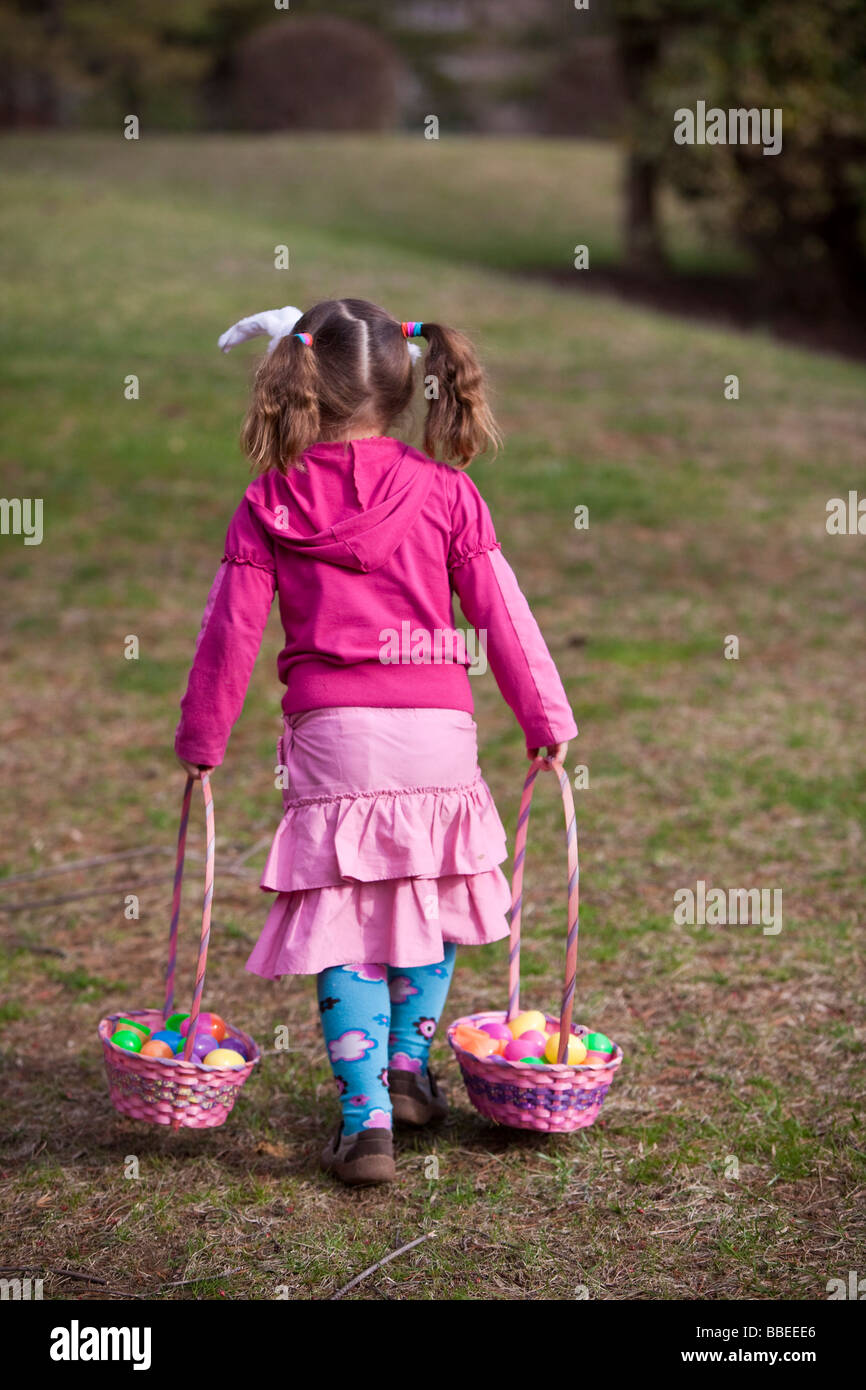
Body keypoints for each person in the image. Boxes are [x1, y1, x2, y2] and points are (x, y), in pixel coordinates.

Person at [174, 298, 577, 1185]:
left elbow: (230, 633)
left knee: (345, 922)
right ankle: (406, 1069)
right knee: (430, 901)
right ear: (408, 385)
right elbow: (502, 617)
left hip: (335, 743)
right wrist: (546, 722)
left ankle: (366, 1124)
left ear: (299, 385)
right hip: (437, 734)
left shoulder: (268, 501)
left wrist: (202, 739)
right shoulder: (448, 493)